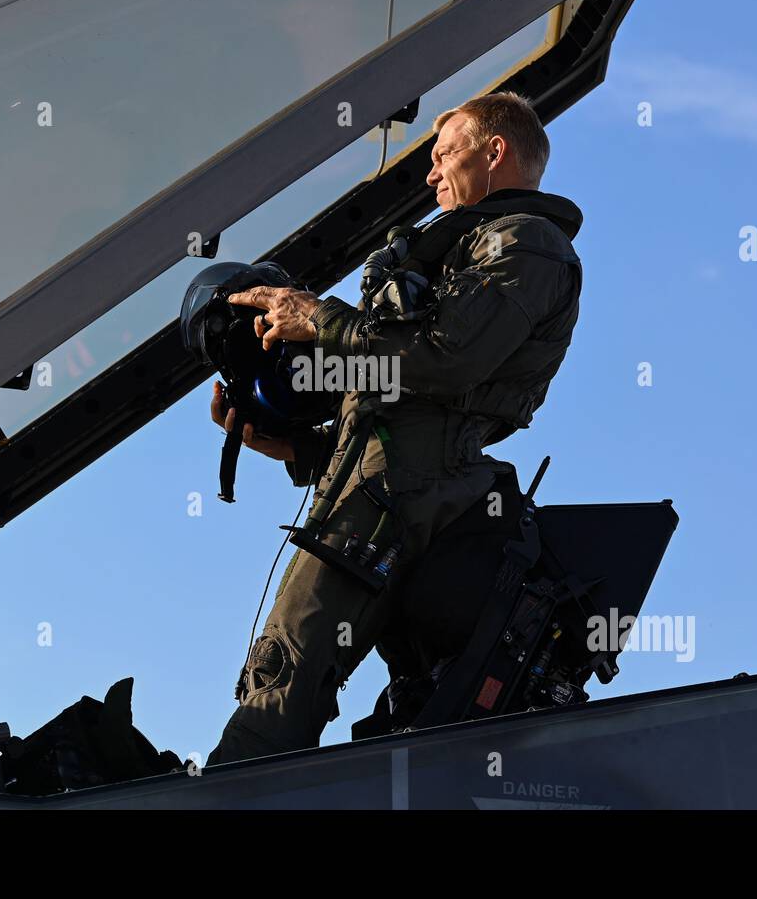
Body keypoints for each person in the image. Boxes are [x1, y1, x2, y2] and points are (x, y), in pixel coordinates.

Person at [205, 91, 584, 765]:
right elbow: (397, 414)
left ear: (494, 153)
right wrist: (292, 447)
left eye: (445, 154)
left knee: (282, 681)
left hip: (397, 503)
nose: (431, 174)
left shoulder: (526, 243)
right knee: (288, 676)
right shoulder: (461, 248)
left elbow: (444, 363)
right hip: (386, 489)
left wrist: (316, 318)